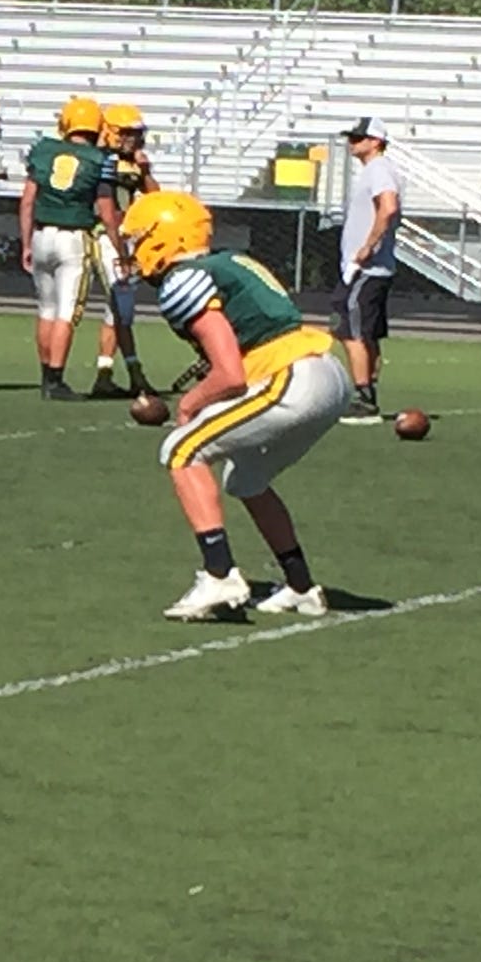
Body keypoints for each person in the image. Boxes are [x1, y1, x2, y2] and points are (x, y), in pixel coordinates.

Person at [123, 188, 349, 622]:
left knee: (181, 449)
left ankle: (219, 574)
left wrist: (189, 404)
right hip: (326, 375)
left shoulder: (182, 278)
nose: (133, 251)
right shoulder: (229, 261)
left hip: (290, 378)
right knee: (245, 478)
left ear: (161, 237)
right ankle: (300, 585)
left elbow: (229, 374)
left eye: (138, 240)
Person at [19, 95, 112, 400]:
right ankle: (56, 381)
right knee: (66, 312)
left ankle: (46, 377)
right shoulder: (99, 159)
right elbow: (106, 209)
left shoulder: (43, 151)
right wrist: (120, 248)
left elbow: (28, 200)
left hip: (41, 234)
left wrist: (25, 242)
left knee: (45, 309)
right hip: (73, 238)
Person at [91, 103, 158, 400]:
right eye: (126, 132)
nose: (132, 138)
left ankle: (107, 373)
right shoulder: (102, 161)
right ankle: (133, 373)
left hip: (125, 237)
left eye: (135, 133)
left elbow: (156, 198)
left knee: (117, 311)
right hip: (107, 237)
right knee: (121, 309)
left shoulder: (133, 162)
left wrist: (145, 172)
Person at [337, 116, 401, 421]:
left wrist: (366, 248)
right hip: (371, 268)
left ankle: (364, 397)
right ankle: (369, 391)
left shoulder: (379, 169)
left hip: (367, 269)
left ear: (375, 141)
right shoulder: (374, 170)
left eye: (358, 138)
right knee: (366, 331)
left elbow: (388, 207)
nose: (353, 143)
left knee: (352, 331)